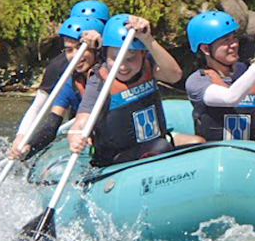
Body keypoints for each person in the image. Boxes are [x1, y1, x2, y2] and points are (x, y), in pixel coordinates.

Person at [68, 14, 203, 166]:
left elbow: (174, 75)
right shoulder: (99, 81)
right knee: (161, 146)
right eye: (115, 59)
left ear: (143, 54)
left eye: (131, 59)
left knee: (197, 142)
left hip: (153, 143)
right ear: (106, 56)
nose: (123, 66)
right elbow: (82, 119)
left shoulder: (148, 66)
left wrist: (147, 39)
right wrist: (75, 134)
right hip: (116, 157)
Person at [8, 0, 110, 158]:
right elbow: (45, 116)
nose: (76, 56)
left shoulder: (117, 63)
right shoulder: (62, 71)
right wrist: (24, 142)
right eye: (70, 49)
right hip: (81, 118)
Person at [185, 11, 255, 144]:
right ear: (206, 49)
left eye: (234, 38)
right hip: (216, 157)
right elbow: (230, 98)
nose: (234, 44)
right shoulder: (197, 81)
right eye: (226, 41)